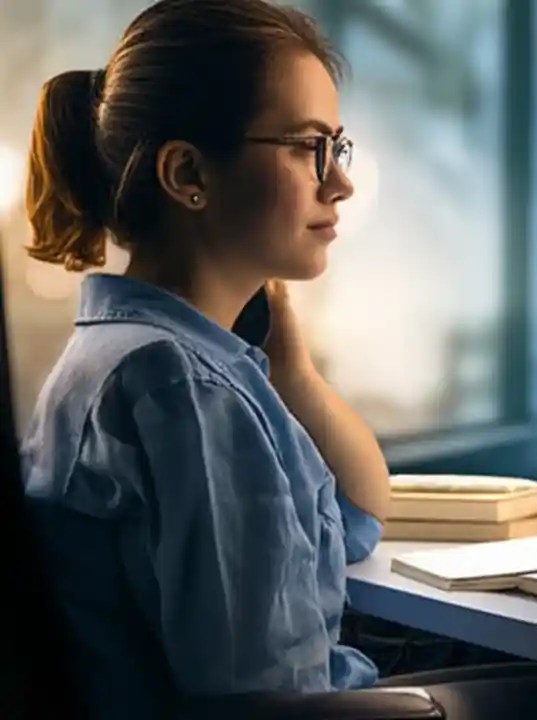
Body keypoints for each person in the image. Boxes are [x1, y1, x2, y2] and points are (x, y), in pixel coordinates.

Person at [18, 0, 394, 716]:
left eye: (336, 148)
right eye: (308, 147)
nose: (340, 182)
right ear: (189, 172)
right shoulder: (185, 387)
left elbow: (356, 516)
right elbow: (263, 698)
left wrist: (293, 371)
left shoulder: (125, 355)